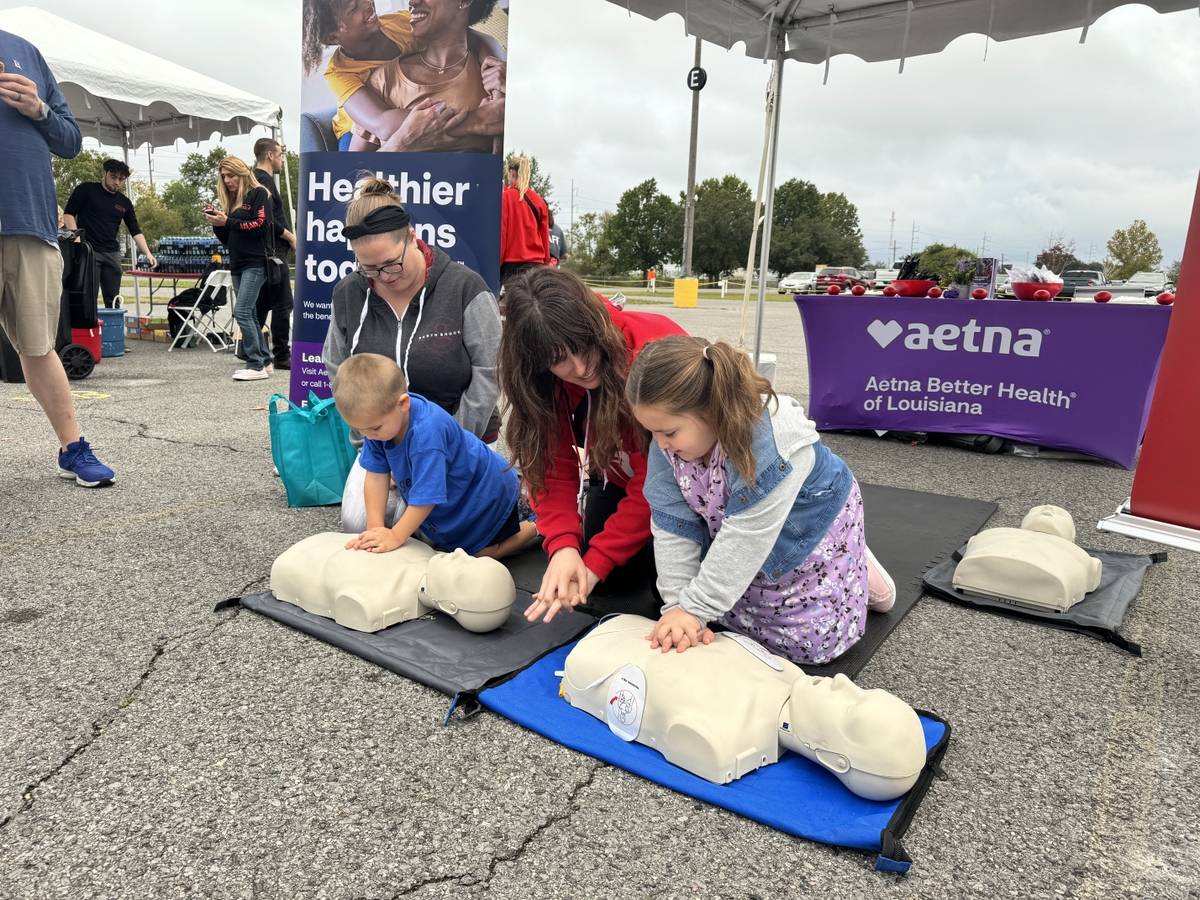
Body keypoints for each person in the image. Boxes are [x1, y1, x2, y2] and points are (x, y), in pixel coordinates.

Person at [624, 336, 896, 665]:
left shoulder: (773, 438)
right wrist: (679, 610)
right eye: (651, 431)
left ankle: (858, 565)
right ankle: (853, 569)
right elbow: (672, 525)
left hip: (806, 526)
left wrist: (693, 612)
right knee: (729, 617)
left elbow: (746, 537)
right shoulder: (667, 440)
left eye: (668, 433)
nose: (660, 444)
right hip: (746, 528)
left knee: (809, 645)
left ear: (711, 412)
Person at [499, 267, 686, 623]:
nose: (581, 368)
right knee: (608, 579)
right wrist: (563, 546)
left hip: (682, 480)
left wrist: (596, 562)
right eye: (558, 360)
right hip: (614, 469)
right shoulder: (540, 380)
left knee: (670, 592)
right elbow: (550, 467)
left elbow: (659, 482)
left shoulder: (649, 352)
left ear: (594, 326)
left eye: (583, 347)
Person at [322, 177, 502, 534]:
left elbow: (490, 371)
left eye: (390, 264)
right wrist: (374, 444)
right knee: (358, 523)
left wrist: (449, 444)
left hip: (453, 441)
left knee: (437, 531)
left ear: (413, 237)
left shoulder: (465, 287)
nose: (383, 278)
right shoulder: (348, 294)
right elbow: (339, 370)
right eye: (368, 269)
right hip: (383, 439)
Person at [0, 28, 115, 486]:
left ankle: (73, 449)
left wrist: (39, 109)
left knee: (38, 346)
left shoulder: (26, 52)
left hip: (30, 223)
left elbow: (70, 141)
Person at [331, 352, 536, 559]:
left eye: (374, 428)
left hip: (488, 494)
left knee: (479, 553)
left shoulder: (426, 434)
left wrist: (394, 536)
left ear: (403, 403)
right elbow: (375, 476)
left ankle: (537, 524)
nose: (368, 437)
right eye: (360, 429)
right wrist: (374, 530)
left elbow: (425, 497)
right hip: (456, 494)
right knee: (451, 544)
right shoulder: (379, 425)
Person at [302, 0, 504, 153]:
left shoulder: (400, 23)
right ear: (333, 37)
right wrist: (478, 120)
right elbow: (382, 124)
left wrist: (497, 88)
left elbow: (478, 39)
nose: (367, 4)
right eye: (353, 8)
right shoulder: (339, 73)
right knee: (345, 167)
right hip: (357, 127)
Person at [203, 156, 281, 382]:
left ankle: (255, 364)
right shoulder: (233, 201)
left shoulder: (259, 194)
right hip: (237, 263)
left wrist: (228, 221)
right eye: (224, 176)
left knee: (243, 312)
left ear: (243, 173)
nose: (227, 180)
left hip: (256, 262)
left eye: (231, 175)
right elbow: (230, 237)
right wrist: (218, 222)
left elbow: (261, 225)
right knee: (250, 314)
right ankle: (265, 362)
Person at [62, 159, 158, 308]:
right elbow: (68, 215)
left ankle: (112, 329)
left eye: (121, 179)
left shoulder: (124, 202)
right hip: (88, 250)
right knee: (87, 297)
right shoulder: (86, 190)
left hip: (112, 253)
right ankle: (90, 329)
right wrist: (77, 239)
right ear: (104, 174)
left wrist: (148, 253)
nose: (117, 182)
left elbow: (135, 230)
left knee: (113, 299)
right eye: (113, 177)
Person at [252, 138, 296, 370]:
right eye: (280, 155)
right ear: (269, 155)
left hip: (270, 250)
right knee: (282, 303)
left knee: (264, 301)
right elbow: (267, 219)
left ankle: (251, 348)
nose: (281, 160)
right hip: (273, 250)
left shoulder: (259, 179)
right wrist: (290, 237)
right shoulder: (263, 180)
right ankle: (281, 354)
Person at [500, 156, 550, 284]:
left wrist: (498, 263)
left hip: (512, 264)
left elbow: (502, 234)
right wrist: (546, 263)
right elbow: (545, 236)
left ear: (512, 172)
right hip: (536, 264)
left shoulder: (506, 197)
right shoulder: (539, 200)